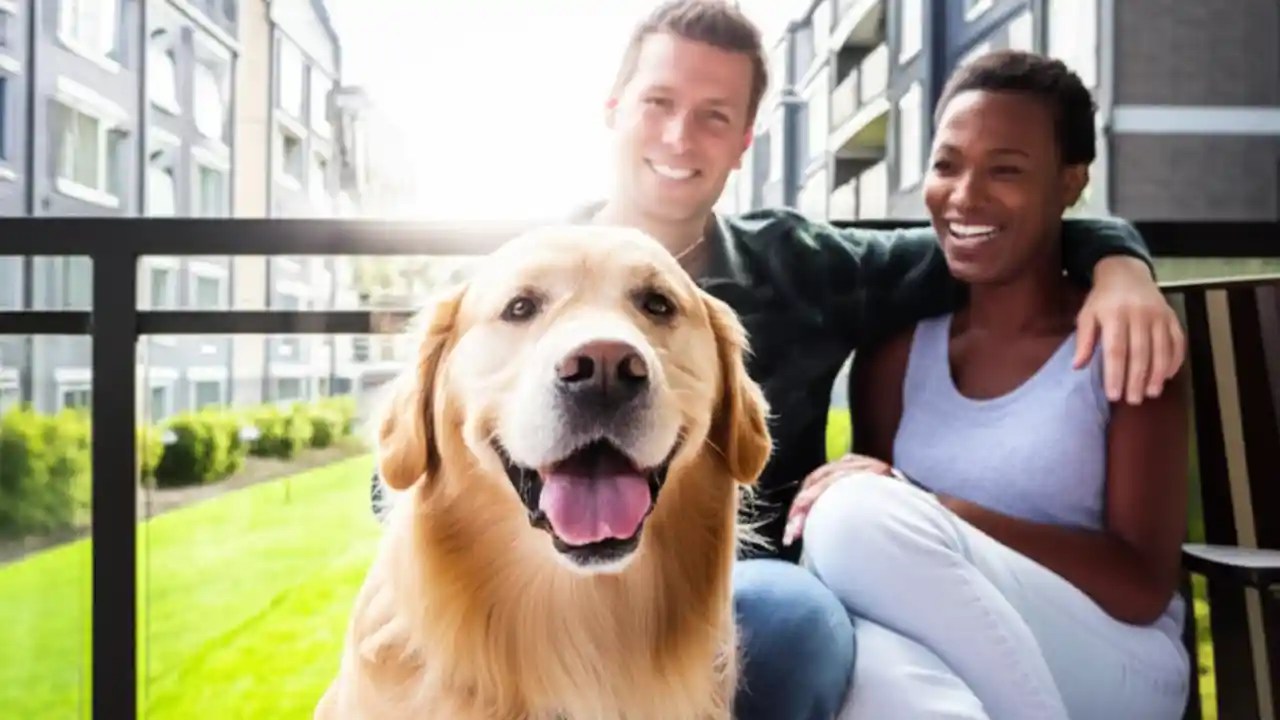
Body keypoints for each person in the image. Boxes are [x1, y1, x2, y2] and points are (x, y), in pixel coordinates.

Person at [369, 4, 1187, 718]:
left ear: (744, 142)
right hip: (541, 601)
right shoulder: (517, 268)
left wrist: (1119, 261)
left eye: (715, 116)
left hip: (744, 588)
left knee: (797, 622)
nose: (680, 136)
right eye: (658, 103)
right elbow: (410, 469)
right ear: (614, 110)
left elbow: (984, 231)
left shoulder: (806, 266)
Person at [788, 50, 1191, 719]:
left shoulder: (1123, 341)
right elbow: (901, 569)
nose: (965, 195)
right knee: (876, 679)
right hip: (966, 665)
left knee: (853, 514)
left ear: (1069, 183)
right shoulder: (894, 356)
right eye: (947, 164)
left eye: (1006, 170)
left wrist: (933, 509)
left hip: (1116, 660)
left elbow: (1141, 586)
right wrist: (914, 515)